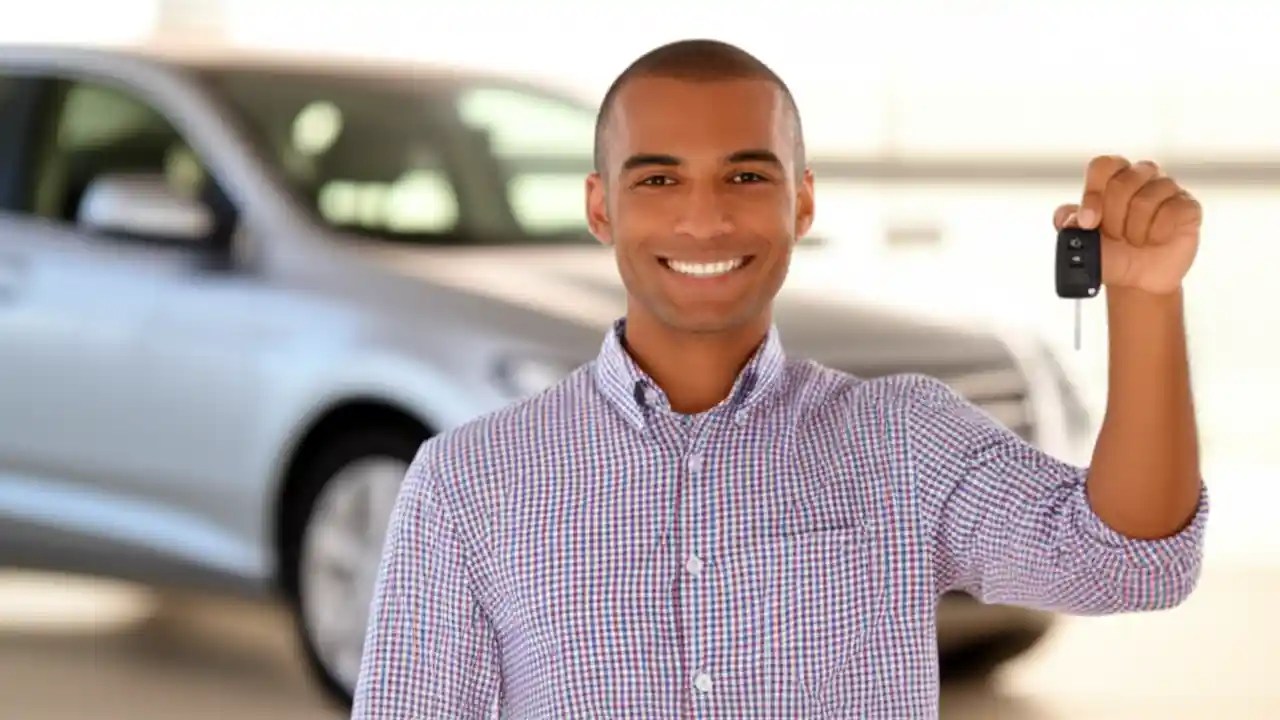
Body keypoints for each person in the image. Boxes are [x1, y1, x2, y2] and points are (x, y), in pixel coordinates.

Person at [350, 39, 1208, 719]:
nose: (704, 217)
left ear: (801, 201)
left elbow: (1129, 563)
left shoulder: (904, 439)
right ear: (601, 206)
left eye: (745, 175)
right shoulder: (467, 482)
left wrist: (1145, 298)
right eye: (659, 178)